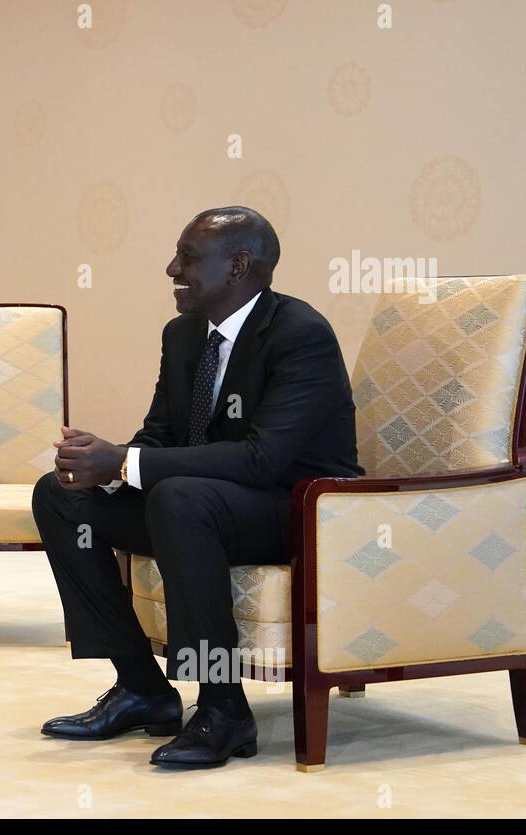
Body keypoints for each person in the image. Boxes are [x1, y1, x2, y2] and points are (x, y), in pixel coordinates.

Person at [31, 206, 362, 769]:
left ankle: (224, 709)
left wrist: (127, 463)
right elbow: (162, 435)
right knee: (61, 496)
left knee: (179, 497)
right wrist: (103, 464)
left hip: (300, 511)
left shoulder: (299, 334)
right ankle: (143, 689)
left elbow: (265, 458)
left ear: (238, 266)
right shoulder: (184, 335)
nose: (170, 269)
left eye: (186, 257)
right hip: (200, 510)